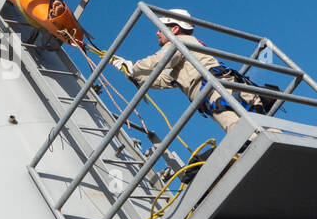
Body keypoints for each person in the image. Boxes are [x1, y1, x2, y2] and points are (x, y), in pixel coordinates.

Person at [109, 9, 268, 135]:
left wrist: (133, 67)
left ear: (175, 28)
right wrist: (134, 75)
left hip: (217, 92)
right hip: (227, 89)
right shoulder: (184, 59)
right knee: (263, 130)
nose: (157, 33)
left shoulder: (179, 43)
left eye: (160, 29)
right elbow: (165, 80)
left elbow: (159, 59)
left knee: (242, 134)